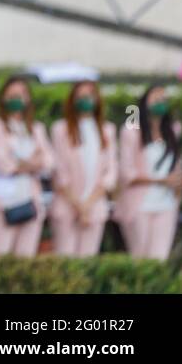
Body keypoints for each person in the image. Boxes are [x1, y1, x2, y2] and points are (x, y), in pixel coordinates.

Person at [0, 75, 52, 257]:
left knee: (25, 260)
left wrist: (22, 162)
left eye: (21, 94)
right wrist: (34, 162)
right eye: (12, 95)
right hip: (1, 203)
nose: (16, 99)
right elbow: (3, 164)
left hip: (31, 201)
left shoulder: (36, 128)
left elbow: (49, 164)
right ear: (3, 98)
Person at [113, 84, 182, 260]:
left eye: (164, 99)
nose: (161, 103)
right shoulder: (131, 131)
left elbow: (177, 165)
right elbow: (126, 173)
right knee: (140, 259)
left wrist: (177, 185)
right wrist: (160, 180)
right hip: (139, 205)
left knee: (159, 259)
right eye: (156, 98)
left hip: (166, 204)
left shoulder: (173, 131)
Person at [49, 81, 118, 257]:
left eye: (89, 95)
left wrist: (88, 206)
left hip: (95, 206)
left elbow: (110, 172)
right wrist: (79, 207)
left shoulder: (107, 130)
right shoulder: (60, 129)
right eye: (80, 95)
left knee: (88, 260)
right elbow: (59, 172)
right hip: (67, 205)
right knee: (65, 259)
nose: (85, 99)